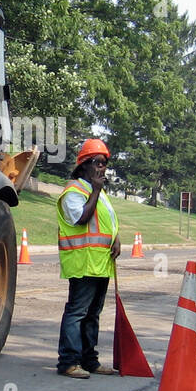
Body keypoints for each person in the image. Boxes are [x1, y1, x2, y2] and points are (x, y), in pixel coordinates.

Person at [56, 139, 122, 378]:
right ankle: (68, 362)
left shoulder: (100, 193)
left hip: (101, 264)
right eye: (98, 162)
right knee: (77, 312)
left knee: (93, 314)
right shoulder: (74, 191)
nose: (102, 168)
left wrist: (116, 238)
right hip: (83, 263)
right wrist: (95, 190)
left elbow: (107, 222)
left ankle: (89, 360)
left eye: (105, 164)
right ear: (84, 165)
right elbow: (81, 218)